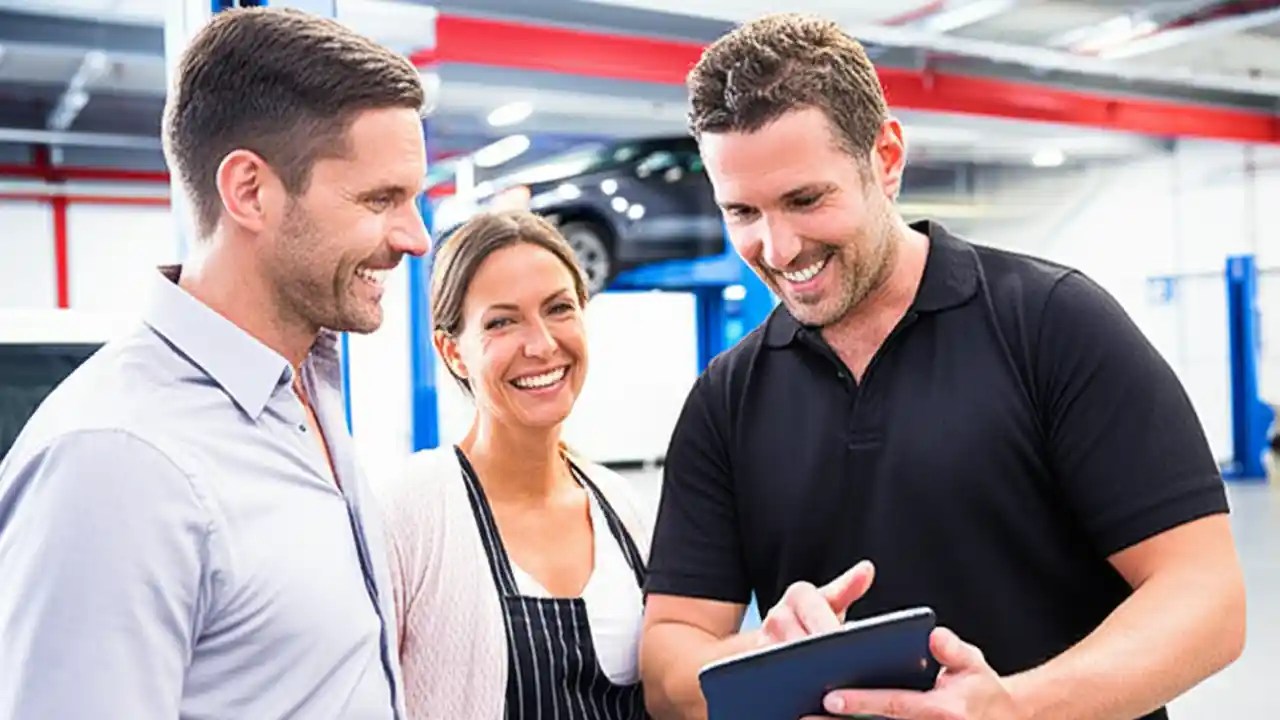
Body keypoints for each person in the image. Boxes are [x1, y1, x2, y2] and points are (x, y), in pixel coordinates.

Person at [640, 12, 1245, 720]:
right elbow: (669, 663)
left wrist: (1015, 708)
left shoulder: (1052, 323)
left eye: (806, 200)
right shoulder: (727, 397)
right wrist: (761, 658)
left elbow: (1207, 599)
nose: (776, 248)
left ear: (886, 158)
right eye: (741, 211)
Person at [0, 8, 429, 719]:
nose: (414, 238)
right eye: (380, 199)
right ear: (250, 191)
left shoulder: (302, 394)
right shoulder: (119, 462)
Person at [374, 209, 652, 719]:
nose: (542, 344)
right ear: (452, 352)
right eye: (502, 322)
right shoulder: (408, 514)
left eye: (560, 309)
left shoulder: (623, 509)